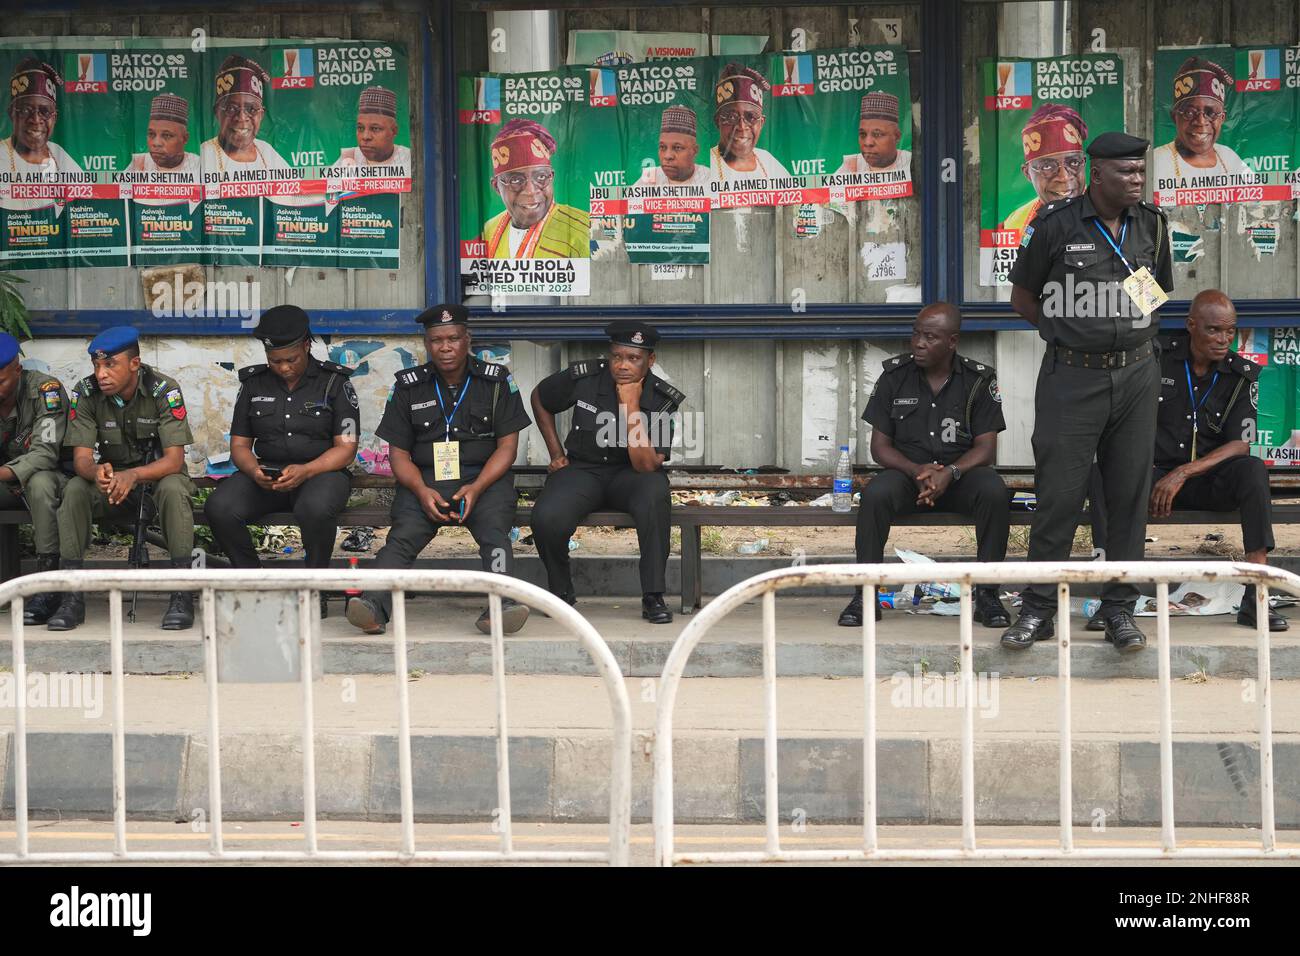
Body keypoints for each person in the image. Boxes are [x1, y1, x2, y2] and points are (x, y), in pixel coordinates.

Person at [1000, 132, 1173, 654]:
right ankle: (1038, 610)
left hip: (1138, 376)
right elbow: (1023, 297)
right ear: (1097, 175)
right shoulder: (1054, 225)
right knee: (1059, 496)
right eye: (1126, 173)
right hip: (1072, 379)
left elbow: (1155, 290)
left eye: (1141, 172)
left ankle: (1118, 609)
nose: (1137, 181)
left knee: (1127, 498)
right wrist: (1066, 334)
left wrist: (1127, 334)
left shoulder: (1152, 224)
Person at [346, 304, 532, 636]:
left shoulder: (496, 381)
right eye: (436, 340)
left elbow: (507, 448)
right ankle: (372, 604)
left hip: (483, 479)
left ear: (467, 339)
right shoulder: (408, 385)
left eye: (453, 338)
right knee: (402, 540)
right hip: (426, 480)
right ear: (426, 343)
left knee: (494, 535)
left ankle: (502, 604)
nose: (445, 347)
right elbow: (399, 454)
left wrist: (476, 488)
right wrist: (420, 490)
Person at [838, 303, 1011, 628]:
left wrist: (950, 473)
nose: (918, 343)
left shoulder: (978, 381)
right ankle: (865, 595)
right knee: (875, 495)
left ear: (952, 341)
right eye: (916, 334)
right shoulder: (894, 377)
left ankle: (987, 595)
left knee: (994, 491)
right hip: (908, 477)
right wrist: (917, 472)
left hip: (960, 478)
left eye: (930, 337)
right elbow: (880, 448)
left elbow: (986, 450)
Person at [204, 306, 359, 616]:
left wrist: (307, 470)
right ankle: (256, 586)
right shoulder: (253, 384)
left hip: (322, 473)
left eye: (291, 360)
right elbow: (240, 445)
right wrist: (253, 470)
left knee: (314, 508)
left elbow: (346, 448)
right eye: (275, 361)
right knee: (219, 507)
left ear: (306, 345)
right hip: (268, 474)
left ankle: (313, 590)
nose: (284, 368)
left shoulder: (334, 383)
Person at [529, 321, 684, 624]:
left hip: (632, 476)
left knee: (655, 494)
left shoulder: (661, 398)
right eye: (617, 357)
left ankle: (653, 595)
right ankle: (561, 593)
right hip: (583, 470)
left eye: (633, 358)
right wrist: (556, 453)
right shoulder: (585, 377)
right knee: (546, 517)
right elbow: (540, 397)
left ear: (649, 360)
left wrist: (631, 406)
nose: (623, 365)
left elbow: (645, 465)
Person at [1149, 291, 1285, 630]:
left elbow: (1241, 445)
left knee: (1252, 469)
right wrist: (1164, 473)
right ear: (1191, 325)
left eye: (1230, 331)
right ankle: (1116, 598)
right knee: (1105, 473)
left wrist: (1184, 471)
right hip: (1155, 480)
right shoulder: (1157, 358)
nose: (1224, 339)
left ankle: (1256, 596)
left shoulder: (1241, 374)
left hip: (1205, 480)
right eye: (1213, 330)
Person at [47, 327, 197, 631]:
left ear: (134, 364)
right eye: (96, 366)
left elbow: (174, 460)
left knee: (174, 488)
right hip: (114, 485)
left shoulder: (163, 390)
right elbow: (82, 460)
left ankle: (182, 592)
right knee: (76, 488)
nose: (101, 374)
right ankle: (71, 596)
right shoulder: (86, 393)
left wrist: (133, 475)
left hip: (156, 483)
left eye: (110, 365)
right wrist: (97, 473)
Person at [0, 333, 72, 624]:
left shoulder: (45, 390)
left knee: (40, 482)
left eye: (1, 380)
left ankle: (47, 584)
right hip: (8, 483)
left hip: (51, 478)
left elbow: (45, 453)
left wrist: (4, 473)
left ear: (18, 369)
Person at [481, 118, 589, 259]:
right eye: (515, 180)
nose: (531, 191)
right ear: (496, 186)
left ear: (552, 176)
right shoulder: (489, 229)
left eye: (541, 177)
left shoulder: (586, 230)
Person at [1152, 56, 1248, 191]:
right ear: (1174, 117)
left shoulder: (1228, 157)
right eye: (1189, 113)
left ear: (1222, 118)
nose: (1201, 122)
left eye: (1211, 113)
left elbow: (1256, 201)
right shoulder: (1157, 161)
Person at [1002, 104, 1088, 237]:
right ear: (1027, 173)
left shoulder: (1110, 215)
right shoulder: (1014, 224)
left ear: (1084, 163)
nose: (1064, 177)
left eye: (1074, 162)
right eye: (1047, 166)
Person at [199, 54, 291, 174]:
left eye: (251, 109)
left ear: (261, 115)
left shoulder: (265, 150)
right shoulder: (204, 154)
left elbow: (298, 188)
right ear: (217, 112)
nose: (242, 118)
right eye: (231, 109)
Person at [709, 62, 792, 184]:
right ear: (718, 121)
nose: (742, 127)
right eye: (731, 117)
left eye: (751, 117)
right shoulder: (706, 165)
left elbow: (793, 200)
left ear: (762, 123)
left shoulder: (767, 160)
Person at [3, 57, 83, 175]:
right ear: (12, 114)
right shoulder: (2, 155)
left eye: (45, 111)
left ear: (54, 117)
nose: (35, 120)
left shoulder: (57, 152)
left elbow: (88, 190)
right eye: (25, 110)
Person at [832, 91, 912, 177]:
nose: (868, 143)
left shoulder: (910, 162)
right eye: (862, 134)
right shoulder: (853, 165)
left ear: (897, 136)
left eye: (877, 134)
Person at [335, 86, 411, 175]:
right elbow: (322, 186)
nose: (365, 137)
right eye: (360, 128)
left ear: (394, 131)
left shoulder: (408, 158)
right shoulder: (350, 157)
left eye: (375, 129)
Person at [128, 92, 200, 175]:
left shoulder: (199, 166)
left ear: (185, 138)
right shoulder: (139, 163)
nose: (156, 143)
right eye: (151, 134)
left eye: (167, 135)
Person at [637, 105, 710, 186]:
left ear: (695, 151)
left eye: (677, 148)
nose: (667, 156)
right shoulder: (651, 176)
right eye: (662, 147)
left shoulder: (708, 177)